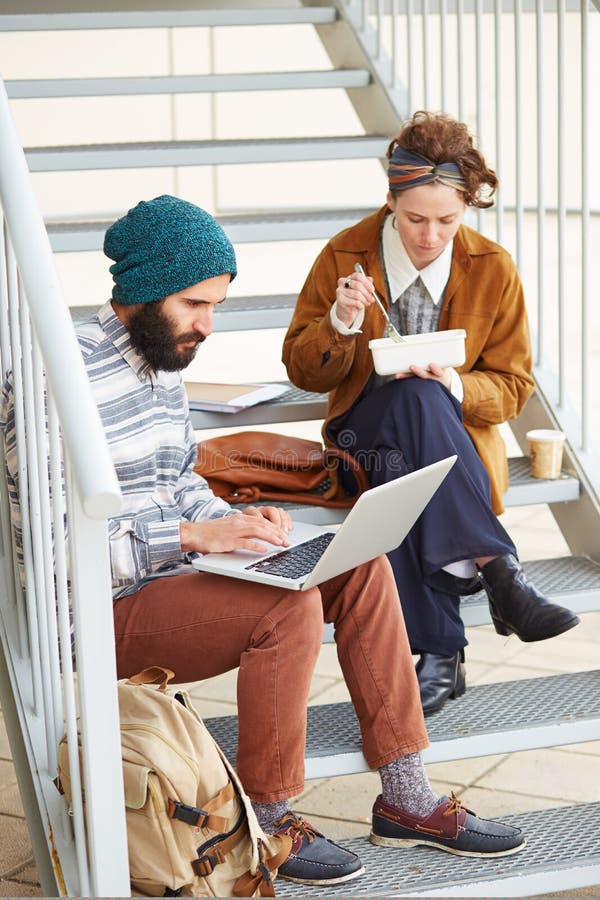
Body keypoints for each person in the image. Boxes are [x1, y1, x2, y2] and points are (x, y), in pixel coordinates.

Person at [0, 194, 529, 886]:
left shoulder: (159, 363)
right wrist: (194, 533)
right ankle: (272, 822)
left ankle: (406, 798)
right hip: (98, 614)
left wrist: (240, 525)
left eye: (215, 305)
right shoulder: (54, 383)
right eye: (195, 305)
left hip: (168, 579)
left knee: (356, 565)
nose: (207, 325)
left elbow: (179, 479)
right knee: (288, 609)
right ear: (143, 291)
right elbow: (52, 547)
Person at [282, 111, 580, 718]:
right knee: (407, 412)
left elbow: (513, 386)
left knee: (415, 436)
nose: (430, 235)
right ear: (391, 201)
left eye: (448, 219)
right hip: (360, 430)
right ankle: (501, 574)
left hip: (447, 442)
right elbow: (303, 370)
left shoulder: (492, 266)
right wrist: (339, 321)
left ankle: (439, 650)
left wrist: (457, 387)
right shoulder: (345, 255)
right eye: (415, 218)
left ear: (467, 205)